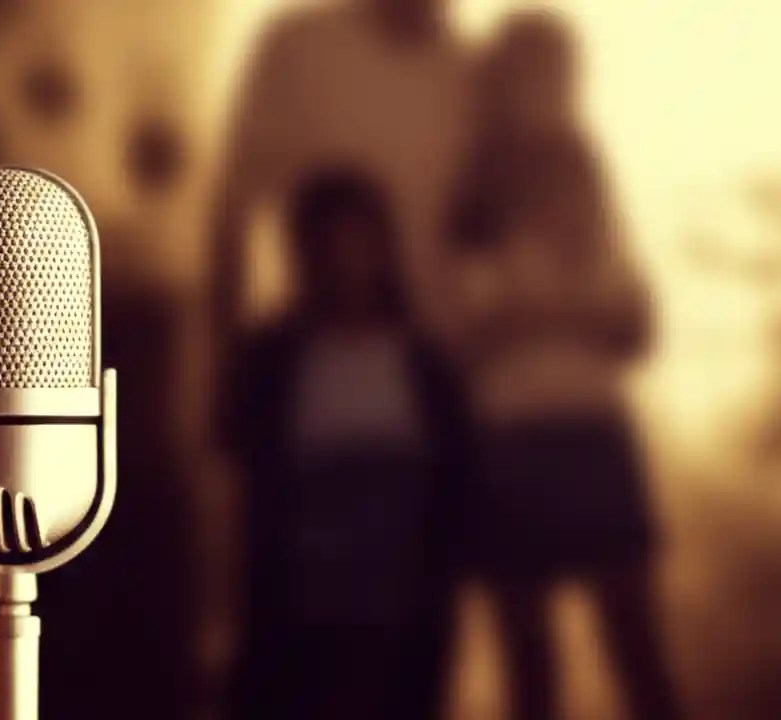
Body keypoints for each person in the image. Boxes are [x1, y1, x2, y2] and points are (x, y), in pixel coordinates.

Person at [451, 12, 683, 720]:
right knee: (531, 659)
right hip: (510, 436)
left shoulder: (588, 168)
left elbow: (637, 325)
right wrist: (571, 314)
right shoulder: (474, 189)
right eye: (538, 72)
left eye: (563, 73)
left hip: (594, 427)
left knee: (637, 644)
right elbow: (473, 333)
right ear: (504, 82)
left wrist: (550, 314)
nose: (553, 90)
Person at [217, 169, 469, 720]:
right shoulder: (273, 359)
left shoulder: (423, 363)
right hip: (302, 600)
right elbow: (241, 460)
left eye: (358, 242)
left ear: (384, 251)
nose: (344, 261)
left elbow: (456, 481)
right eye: (328, 244)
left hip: (402, 599)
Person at [211, 0, 473, 349]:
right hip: (314, 351)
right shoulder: (300, 48)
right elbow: (234, 206)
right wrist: (228, 347)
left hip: (434, 355)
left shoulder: (470, 75)